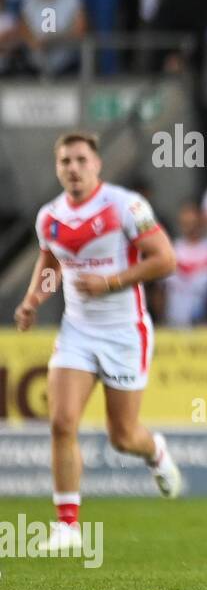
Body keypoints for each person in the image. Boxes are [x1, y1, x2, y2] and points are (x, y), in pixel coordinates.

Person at [13, 132, 183, 553]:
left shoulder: (126, 206)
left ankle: (155, 450)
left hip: (125, 330)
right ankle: (67, 525)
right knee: (61, 422)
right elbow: (51, 262)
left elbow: (165, 259)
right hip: (78, 331)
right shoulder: (49, 217)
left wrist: (111, 281)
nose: (73, 168)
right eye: (65, 161)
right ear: (57, 168)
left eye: (80, 160)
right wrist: (34, 298)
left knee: (123, 436)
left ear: (97, 164)